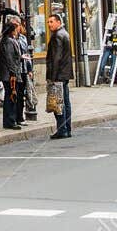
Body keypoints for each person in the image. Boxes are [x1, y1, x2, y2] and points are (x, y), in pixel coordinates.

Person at [45, 11, 73, 139]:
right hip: (65, 74)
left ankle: (62, 129)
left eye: (51, 22)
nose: (49, 24)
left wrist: (53, 77)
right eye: (48, 22)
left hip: (58, 75)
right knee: (65, 102)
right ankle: (67, 128)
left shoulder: (57, 36)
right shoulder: (65, 34)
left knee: (58, 103)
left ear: (58, 22)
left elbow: (56, 58)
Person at [0, 17, 29, 130]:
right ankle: (10, 121)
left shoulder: (7, 41)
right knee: (11, 96)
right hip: (9, 74)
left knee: (11, 96)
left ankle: (11, 120)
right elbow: (10, 59)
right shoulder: (9, 41)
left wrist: (20, 57)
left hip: (8, 73)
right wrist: (13, 73)